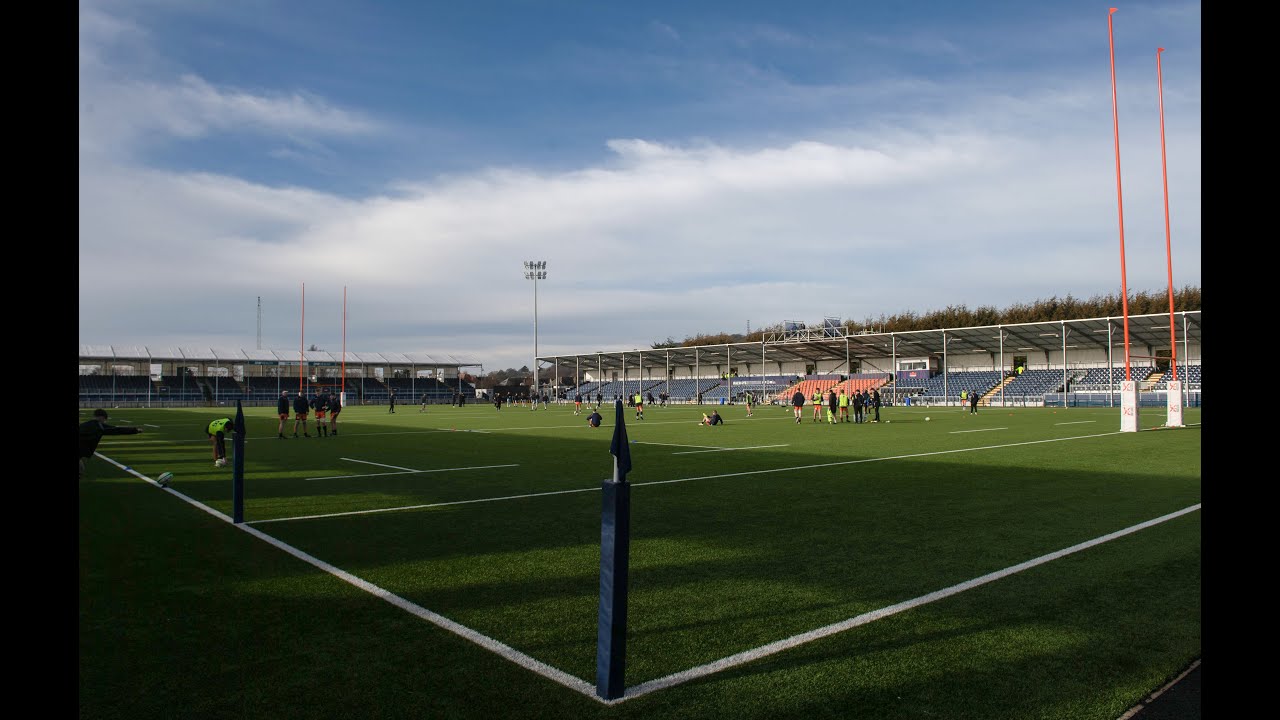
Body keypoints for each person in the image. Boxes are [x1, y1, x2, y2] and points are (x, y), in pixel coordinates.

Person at [79, 409, 142, 480]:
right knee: (80, 470)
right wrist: (135, 430)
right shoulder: (99, 427)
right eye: (104, 420)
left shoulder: (84, 425)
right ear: (101, 417)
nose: (104, 422)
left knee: (81, 469)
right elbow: (116, 430)